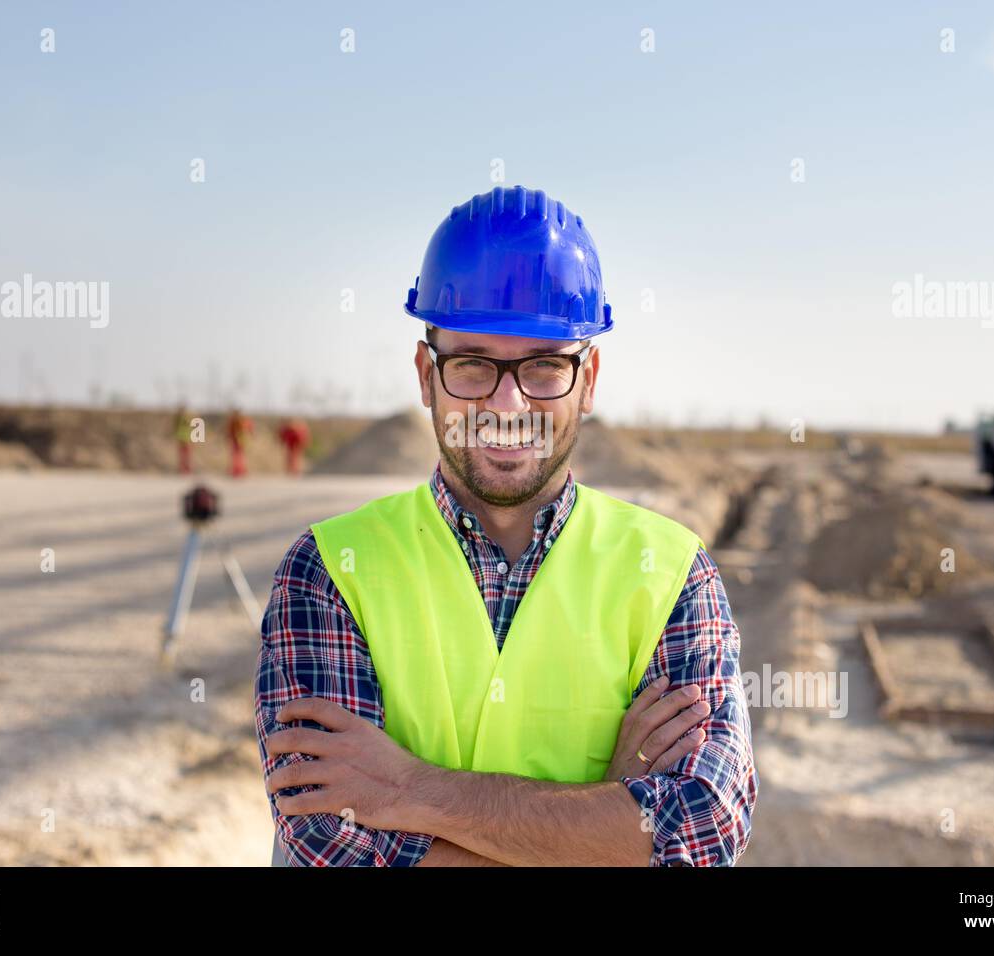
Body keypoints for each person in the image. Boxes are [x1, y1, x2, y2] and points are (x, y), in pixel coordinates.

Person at [255, 186, 757, 866]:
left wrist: (411, 789)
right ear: (426, 377)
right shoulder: (329, 569)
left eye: (546, 365)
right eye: (472, 365)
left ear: (589, 378)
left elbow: (703, 835)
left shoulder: (670, 575)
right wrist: (605, 822)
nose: (507, 401)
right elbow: (328, 844)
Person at [226, 408, 253, 478]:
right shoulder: (245, 420)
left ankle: (238, 470)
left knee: (236, 455)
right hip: (242, 440)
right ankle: (240, 470)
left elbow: (230, 430)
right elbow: (250, 429)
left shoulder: (234, 420)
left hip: (237, 440)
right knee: (240, 455)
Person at [173, 405, 194, 475]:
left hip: (184, 438)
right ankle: (184, 470)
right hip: (184, 439)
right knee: (184, 456)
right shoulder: (183, 418)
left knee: (185, 456)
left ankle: (185, 470)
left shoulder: (179, 418)